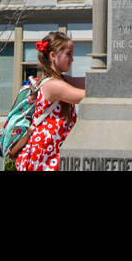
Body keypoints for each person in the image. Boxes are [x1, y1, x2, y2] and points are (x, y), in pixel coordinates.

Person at [14, 32, 85, 172]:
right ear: (53, 55)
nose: (72, 59)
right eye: (68, 54)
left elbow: (92, 82)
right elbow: (84, 96)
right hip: (45, 156)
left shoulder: (61, 80)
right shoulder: (52, 85)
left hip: (51, 153)